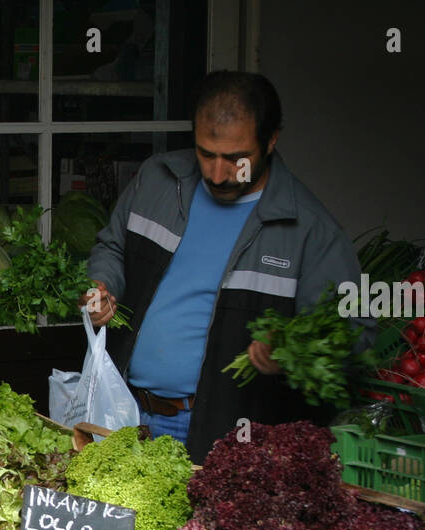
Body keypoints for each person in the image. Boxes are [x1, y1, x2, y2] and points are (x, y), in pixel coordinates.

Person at [82, 71, 366, 463]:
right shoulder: (157, 181)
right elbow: (111, 246)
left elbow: (353, 334)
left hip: (218, 433)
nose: (217, 174)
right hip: (120, 409)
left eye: (236, 159)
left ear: (271, 140)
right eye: (206, 154)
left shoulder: (310, 230)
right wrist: (101, 284)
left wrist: (289, 352)